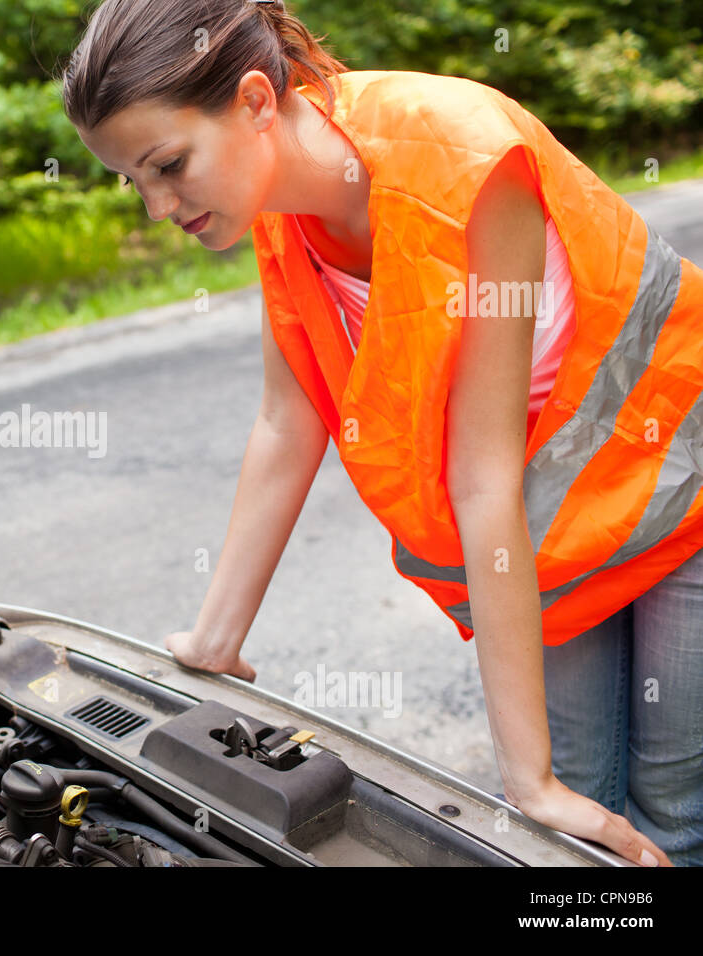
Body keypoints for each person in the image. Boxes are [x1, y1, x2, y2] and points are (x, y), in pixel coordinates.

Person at [60, 0, 703, 866]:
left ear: (255, 101)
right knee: (575, 822)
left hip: (684, 475)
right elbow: (288, 425)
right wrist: (218, 639)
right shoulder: (278, 206)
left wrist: (524, 782)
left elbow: (482, 482)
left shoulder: (464, 158)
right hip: (566, 523)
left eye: (168, 165)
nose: (155, 207)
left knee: (668, 814)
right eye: (132, 180)